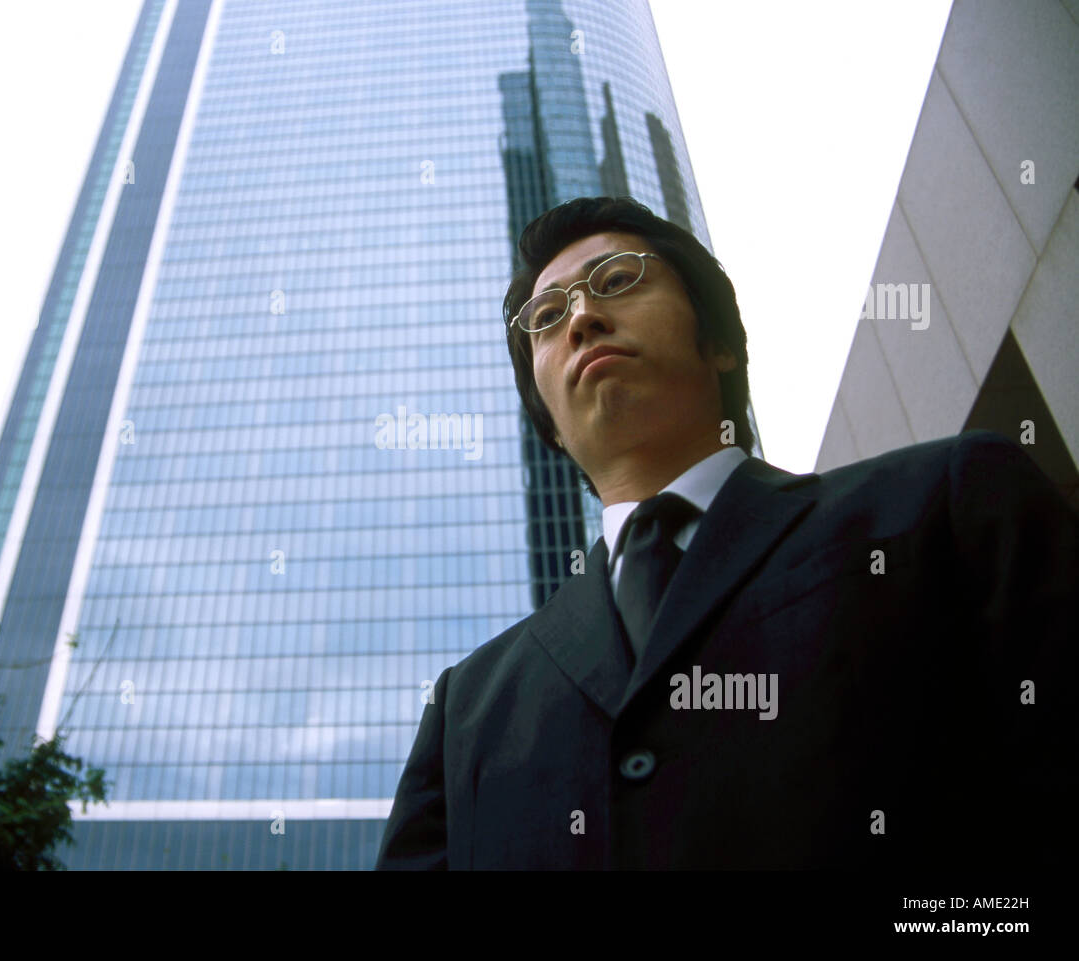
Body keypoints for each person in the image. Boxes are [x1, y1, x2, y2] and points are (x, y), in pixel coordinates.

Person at [374, 195, 1078, 870]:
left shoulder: (944, 506)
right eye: (548, 315)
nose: (582, 317)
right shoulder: (464, 710)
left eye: (617, 280)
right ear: (549, 425)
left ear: (719, 345)